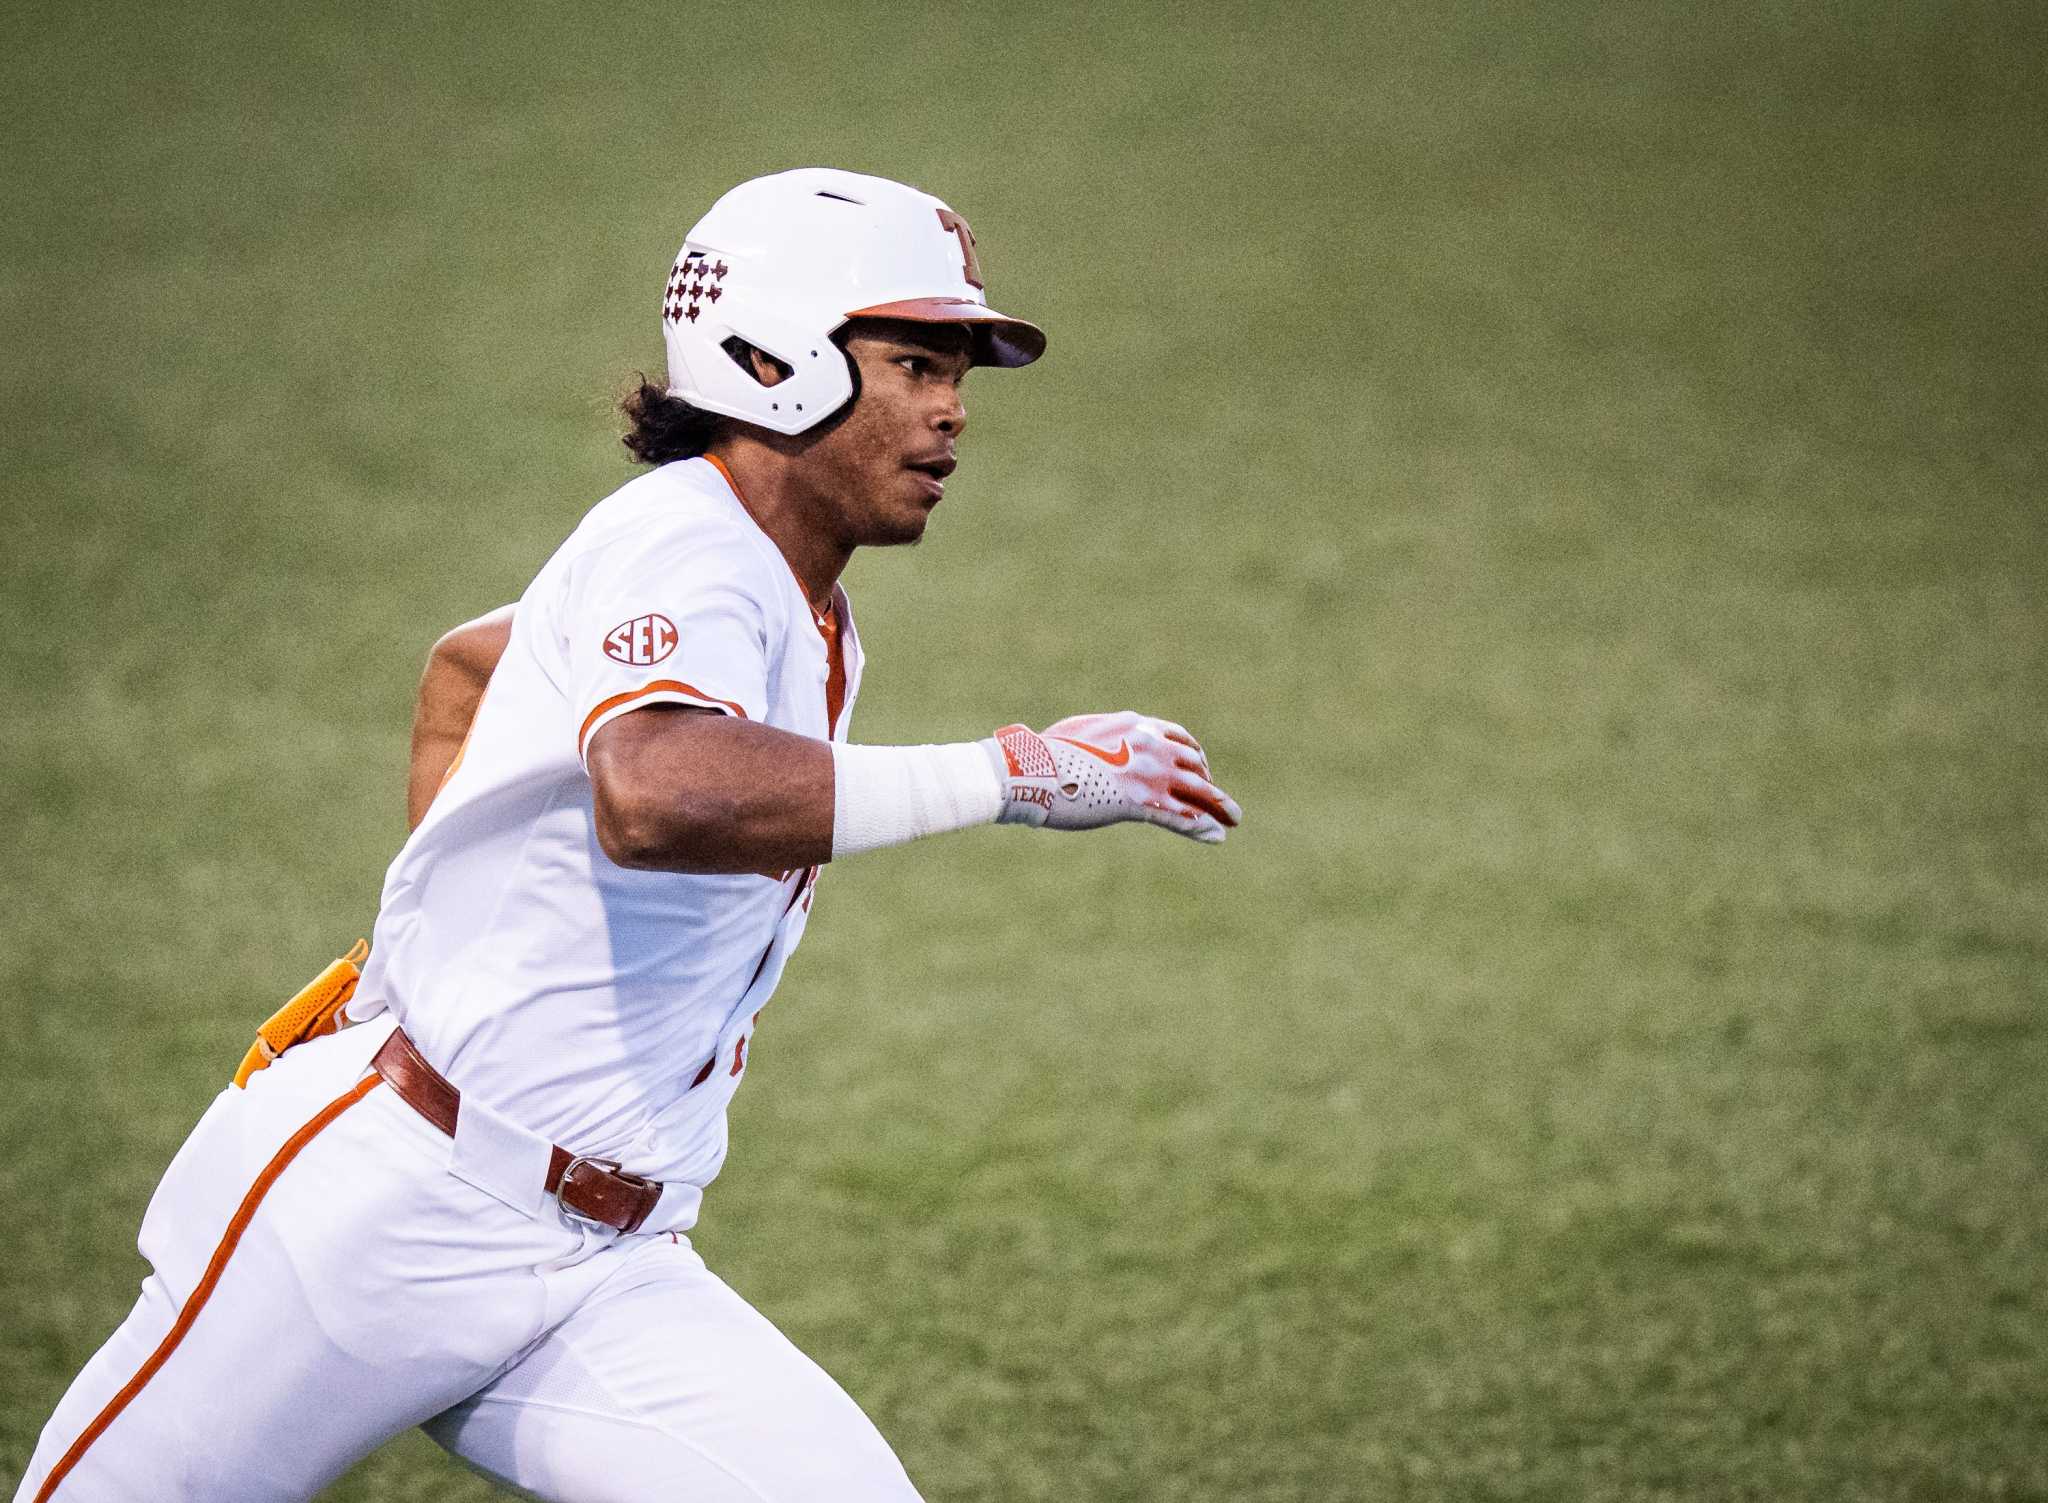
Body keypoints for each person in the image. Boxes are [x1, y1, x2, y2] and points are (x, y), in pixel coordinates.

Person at [15, 167, 1242, 1503]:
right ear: (771, 357)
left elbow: (472, 671)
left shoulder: (795, 598)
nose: (951, 408)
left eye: (958, 371)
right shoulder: (688, 546)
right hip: (381, 1221)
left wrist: (454, 927)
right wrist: (1010, 773)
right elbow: (658, 795)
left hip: (601, 1269)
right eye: (910, 361)